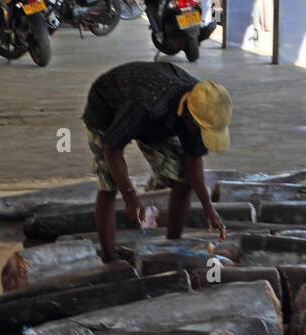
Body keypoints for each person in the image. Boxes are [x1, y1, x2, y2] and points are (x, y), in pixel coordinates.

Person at [82, 62, 231, 262]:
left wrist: (208, 206)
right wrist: (130, 195)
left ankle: (172, 247)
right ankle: (109, 259)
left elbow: (193, 160)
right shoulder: (147, 104)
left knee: (184, 177)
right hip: (107, 108)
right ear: (188, 117)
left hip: (153, 120)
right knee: (109, 183)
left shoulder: (201, 106)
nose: (202, 134)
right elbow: (112, 148)